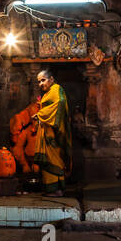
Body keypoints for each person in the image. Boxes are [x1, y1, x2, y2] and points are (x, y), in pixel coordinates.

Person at [32, 68, 72, 196]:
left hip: (53, 132)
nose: (41, 84)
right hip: (46, 131)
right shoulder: (48, 93)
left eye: (43, 80)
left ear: (51, 79)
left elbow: (59, 103)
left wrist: (41, 115)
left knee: (53, 160)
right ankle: (55, 189)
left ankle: (56, 190)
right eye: (39, 82)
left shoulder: (56, 89)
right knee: (48, 160)